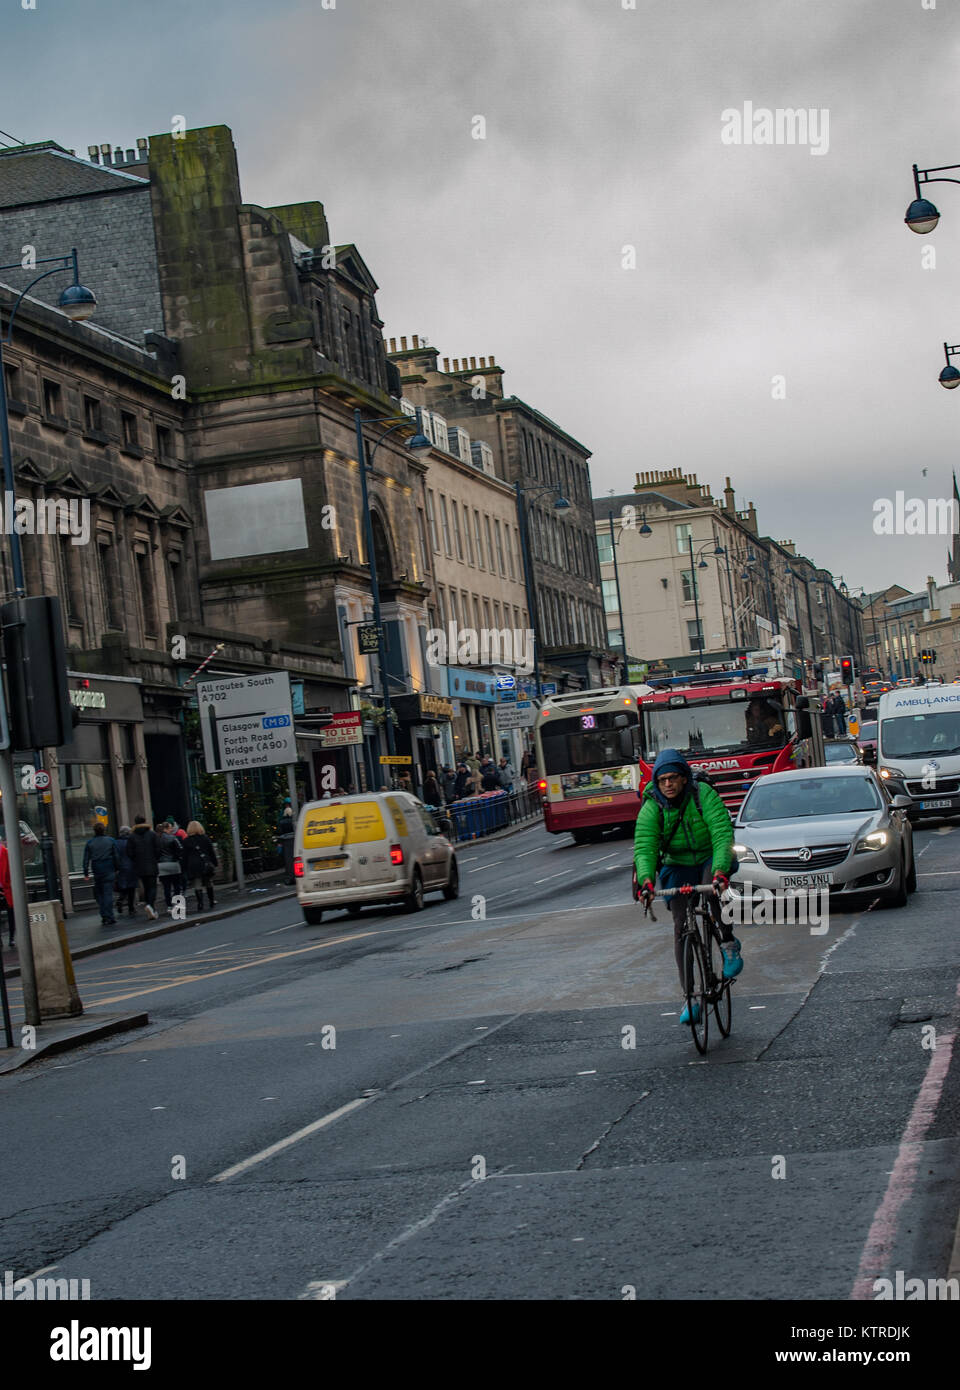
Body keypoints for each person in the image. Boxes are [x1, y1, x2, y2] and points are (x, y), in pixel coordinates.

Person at [634, 747, 741, 1027]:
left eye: (672, 778)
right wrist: (646, 880)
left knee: (714, 892)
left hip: (709, 856)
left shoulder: (702, 794)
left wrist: (720, 871)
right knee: (681, 926)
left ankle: (728, 943)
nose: (667, 784)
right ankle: (690, 997)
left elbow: (721, 833)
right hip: (677, 864)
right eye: (662, 780)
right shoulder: (652, 806)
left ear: (684, 778)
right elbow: (645, 847)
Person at [82, 823, 121, 927]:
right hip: (109, 868)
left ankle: (104, 915)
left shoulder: (90, 843)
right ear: (104, 830)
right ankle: (109, 916)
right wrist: (117, 868)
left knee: (100, 894)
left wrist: (86, 873)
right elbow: (116, 856)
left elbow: (86, 859)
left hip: (97, 869)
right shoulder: (111, 841)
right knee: (108, 893)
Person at [126, 814, 160, 920]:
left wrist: (136, 860)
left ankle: (150, 907)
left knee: (145, 887)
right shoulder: (152, 834)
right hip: (152, 864)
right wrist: (155, 858)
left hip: (139, 866)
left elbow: (129, 852)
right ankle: (150, 905)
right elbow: (158, 849)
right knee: (152, 887)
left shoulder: (132, 836)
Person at [183, 820, 218, 912]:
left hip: (193, 865)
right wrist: (215, 863)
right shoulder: (205, 838)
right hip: (205, 863)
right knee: (208, 882)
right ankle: (211, 901)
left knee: (197, 884)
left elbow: (184, 855)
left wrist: (184, 867)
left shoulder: (186, 841)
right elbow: (211, 852)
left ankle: (200, 903)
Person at [155, 820, 184, 913]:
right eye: (170, 827)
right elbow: (180, 850)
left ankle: (169, 905)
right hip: (173, 863)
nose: (171, 829)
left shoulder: (157, 839)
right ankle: (177, 903)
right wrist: (177, 858)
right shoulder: (173, 838)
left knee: (166, 887)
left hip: (161, 865)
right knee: (176, 885)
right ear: (166, 828)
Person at [115, 825, 139, 916]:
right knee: (131, 888)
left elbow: (115, 856)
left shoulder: (116, 842)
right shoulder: (131, 842)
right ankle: (131, 908)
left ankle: (121, 899)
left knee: (123, 887)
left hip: (122, 867)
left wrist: (117, 867)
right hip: (132, 867)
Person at [276, 800, 296, 884]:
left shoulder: (281, 821)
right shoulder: (293, 820)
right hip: (294, 840)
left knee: (288, 860)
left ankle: (290, 875)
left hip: (285, 841)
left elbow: (279, 832)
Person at [0, 839, 13, 948]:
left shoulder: (5, 852)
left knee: (11, 913)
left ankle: (12, 938)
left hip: (6, 888)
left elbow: (10, 871)